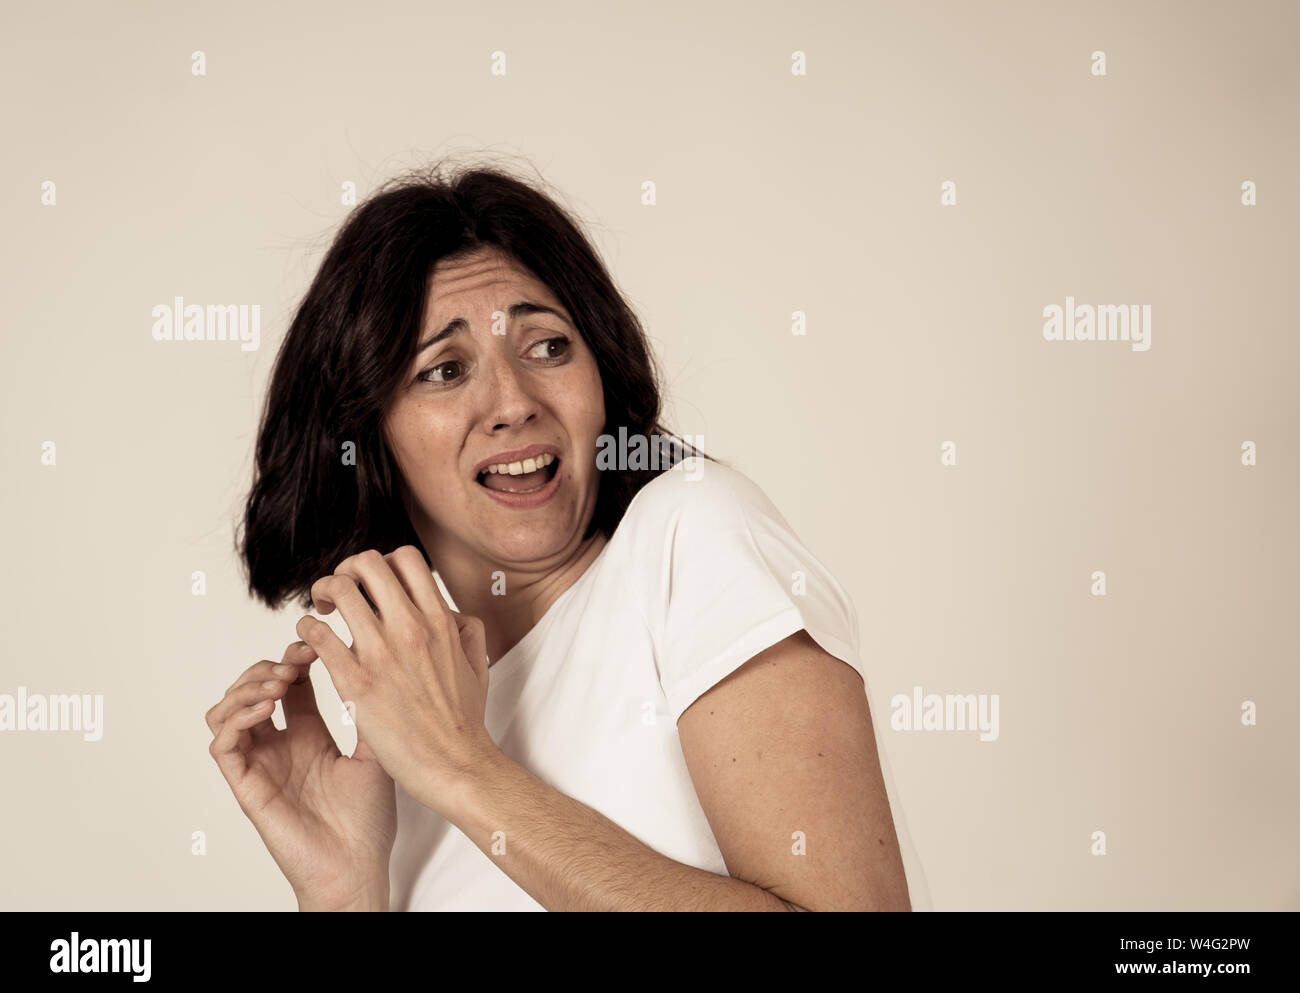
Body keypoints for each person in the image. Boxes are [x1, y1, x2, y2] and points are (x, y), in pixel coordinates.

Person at [205, 159, 932, 911]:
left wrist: (462, 768)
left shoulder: (690, 536)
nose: (514, 402)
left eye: (549, 346)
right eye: (446, 369)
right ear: (368, 433)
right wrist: (346, 888)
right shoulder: (411, 724)